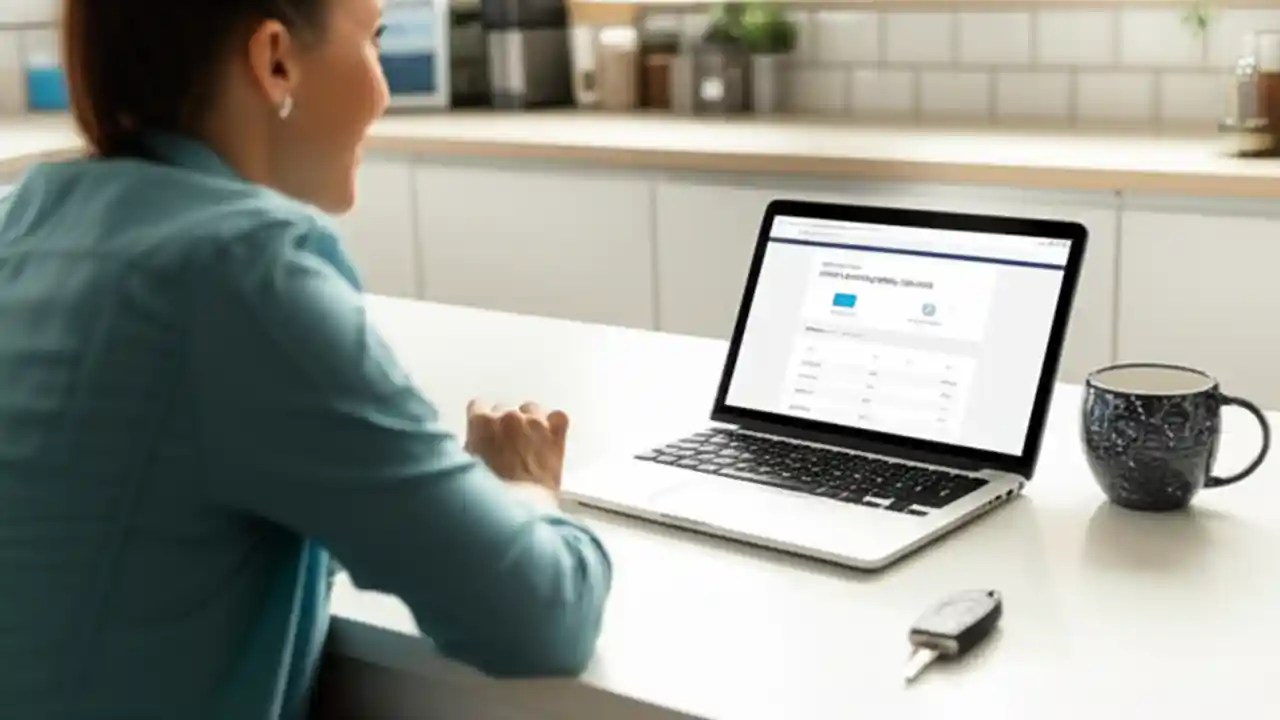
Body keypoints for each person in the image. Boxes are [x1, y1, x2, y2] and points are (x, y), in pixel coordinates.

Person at [0, 0, 612, 717]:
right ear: (275, 60)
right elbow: (538, 619)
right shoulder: (241, 273)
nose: (385, 91)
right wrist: (525, 486)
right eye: (374, 40)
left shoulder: (25, 221)